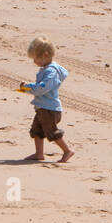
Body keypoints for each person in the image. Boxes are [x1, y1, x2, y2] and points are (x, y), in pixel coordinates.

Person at [20, 35, 72, 163]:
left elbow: (42, 88)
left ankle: (67, 151)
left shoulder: (51, 72)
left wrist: (28, 87)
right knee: (37, 130)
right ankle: (39, 154)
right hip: (42, 107)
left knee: (52, 132)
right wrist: (29, 87)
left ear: (45, 55)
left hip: (49, 109)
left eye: (36, 58)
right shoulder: (46, 69)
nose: (34, 62)